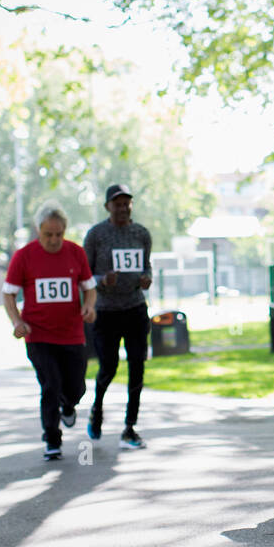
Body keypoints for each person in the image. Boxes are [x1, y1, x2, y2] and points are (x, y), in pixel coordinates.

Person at [3, 202, 98, 461]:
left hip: (72, 333)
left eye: (59, 234)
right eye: (48, 234)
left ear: (64, 231)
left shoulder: (76, 253)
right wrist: (16, 321)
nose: (54, 240)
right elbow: (8, 294)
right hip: (39, 334)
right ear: (38, 230)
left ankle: (69, 405)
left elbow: (89, 288)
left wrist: (89, 307)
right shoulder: (24, 256)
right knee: (51, 385)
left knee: (76, 387)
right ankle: (52, 440)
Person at [83, 184, 154, 450]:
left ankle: (129, 428)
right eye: (117, 204)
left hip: (135, 308)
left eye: (127, 203)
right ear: (108, 207)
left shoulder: (141, 233)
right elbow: (84, 276)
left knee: (138, 367)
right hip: (107, 311)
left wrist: (147, 278)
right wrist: (103, 280)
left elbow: (146, 264)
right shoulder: (96, 235)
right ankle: (97, 409)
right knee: (109, 366)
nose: (123, 208)